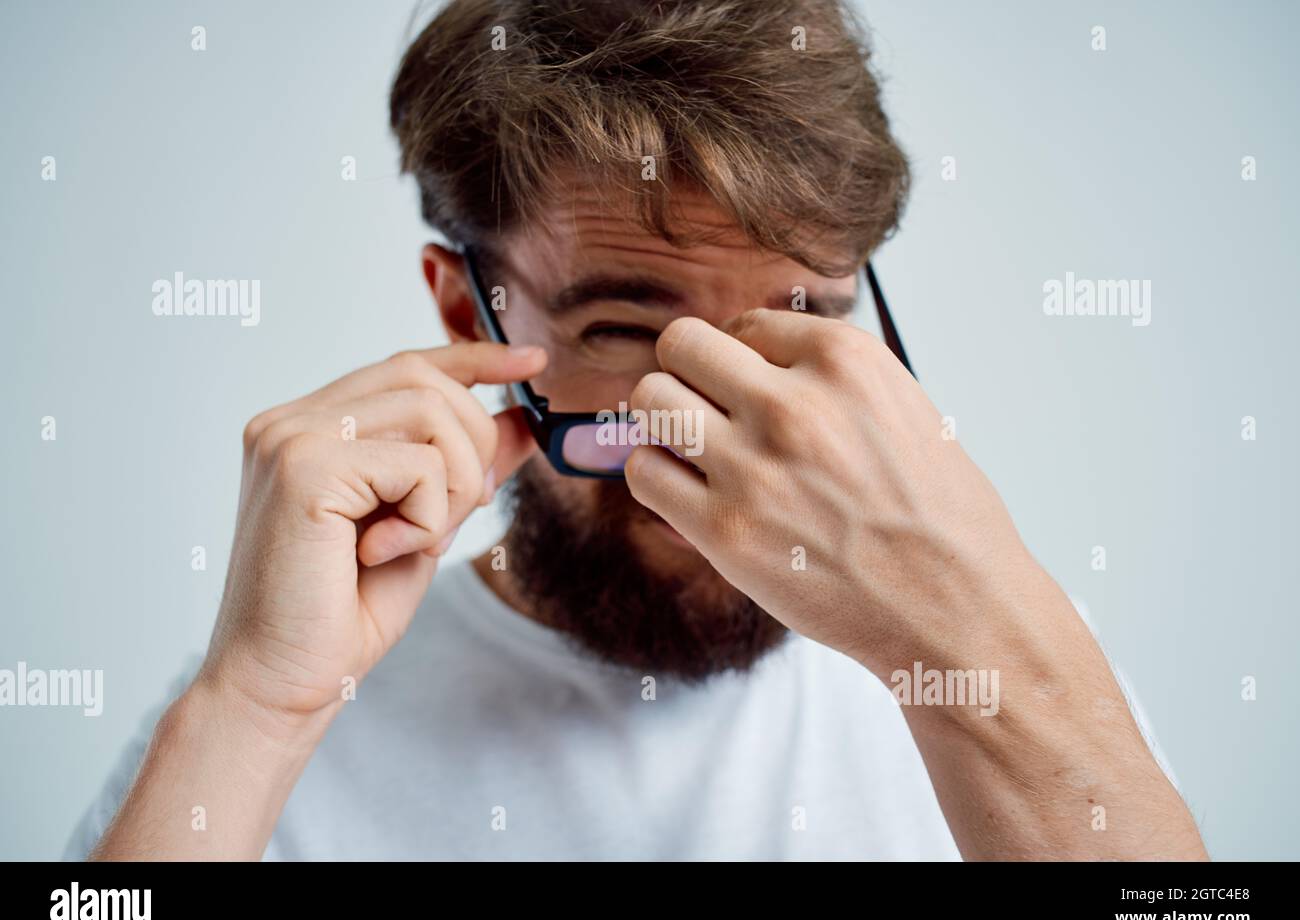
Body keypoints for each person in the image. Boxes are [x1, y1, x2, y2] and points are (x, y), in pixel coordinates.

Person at [66, 0, 1207, 861]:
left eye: (797, 322)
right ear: (472, 311)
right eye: (623, 326)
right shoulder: (274, 721)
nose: (719, 436)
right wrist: (251, 709)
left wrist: (976, 644)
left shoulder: (1017, 657)